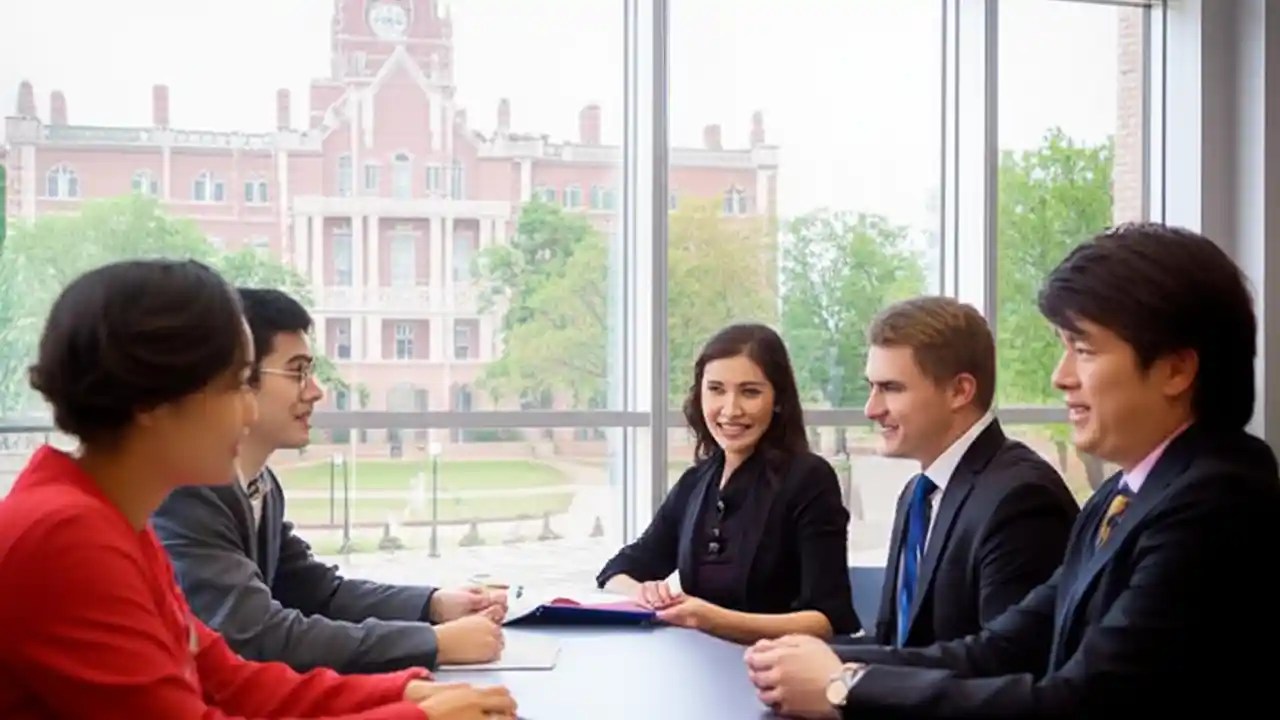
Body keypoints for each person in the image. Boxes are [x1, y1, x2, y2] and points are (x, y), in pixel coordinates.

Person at [744, 223, 1280, 717]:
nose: (1059, 377)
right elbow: (1005, 645)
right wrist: (810, 660)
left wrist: (847, 686)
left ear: (1176, 369)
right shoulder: (1121, 496)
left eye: (1084, 350)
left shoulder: (1219, 499)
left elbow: (1084, 699)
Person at [0, 259, 515, 719]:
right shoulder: (66, 538)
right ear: (153, 401)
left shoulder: (114, 522)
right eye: (234, 386)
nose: (247, 412)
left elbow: (229, 682)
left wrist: (400, 695)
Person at [153, 288, 504, 674]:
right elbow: (255, 635)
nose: (316, 391)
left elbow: (318, 595)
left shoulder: (261, 487)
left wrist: (434, 606)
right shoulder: (183, 494)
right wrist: (433, 644)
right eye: (297, 371)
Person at [596, 323, 859, 644]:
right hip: (702, 667)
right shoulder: (696, 481)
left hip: (780, 672)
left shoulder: (809, 479)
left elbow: (828, 618)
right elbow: (618, 569)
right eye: (716, 389)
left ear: (778, 400)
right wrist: (643, 592)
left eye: (750, 392)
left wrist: (709, 618)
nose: (730, 410)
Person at [854, 296, 1076, 648]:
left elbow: (1006, 667)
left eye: (891, 388)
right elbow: (894, 646)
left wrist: (841, 674)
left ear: (960, 391)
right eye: (871, 387)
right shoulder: (917, 494)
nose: (871, 409)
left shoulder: (1021, 499)